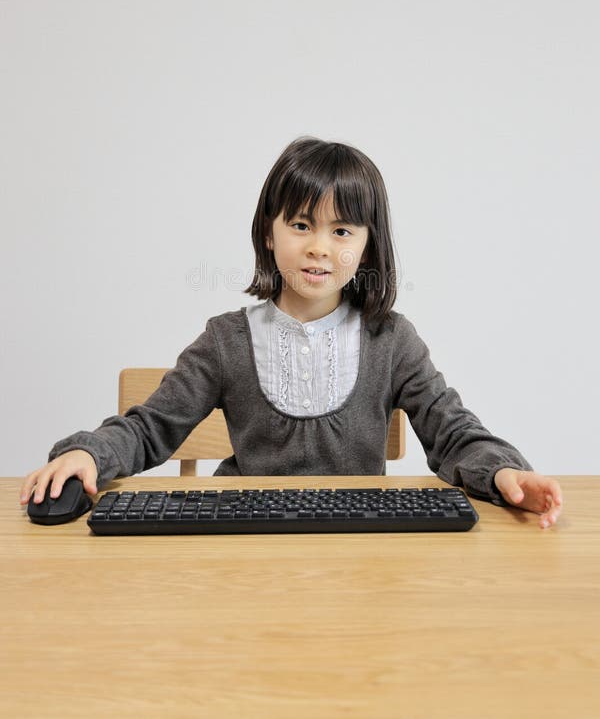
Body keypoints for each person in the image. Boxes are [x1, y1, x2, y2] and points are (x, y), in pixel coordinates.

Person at [20, 136, 563, 529]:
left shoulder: (392, 341)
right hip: (242, 546)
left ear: (368, 246)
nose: (319, 247)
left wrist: (504, 473)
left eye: (342, 230)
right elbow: (149, 428)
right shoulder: (226, 340)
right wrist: (90, 454)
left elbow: (453, 433)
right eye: (301, 225)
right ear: (268, 233)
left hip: (357, 549)